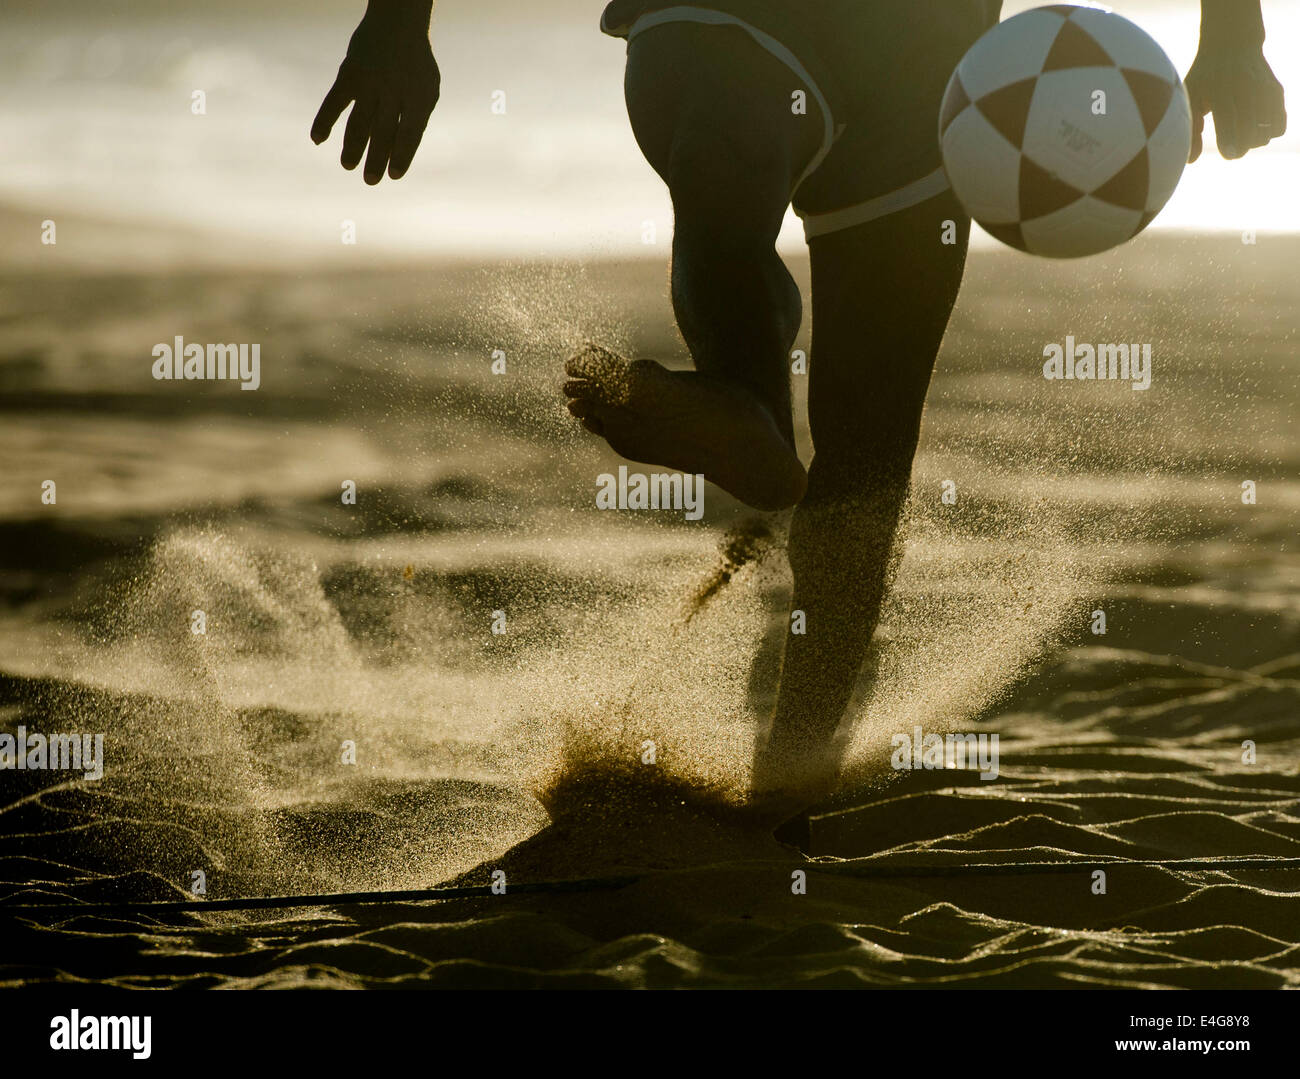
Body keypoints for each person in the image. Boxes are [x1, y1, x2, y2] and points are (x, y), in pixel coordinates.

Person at [311, 0, 1287, 807]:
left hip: (885, 70)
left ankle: (746, 400)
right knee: (866, 451)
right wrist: (1233, 37)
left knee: (733, 195)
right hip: (910, 66)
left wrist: (401, 21)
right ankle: (793, 768)